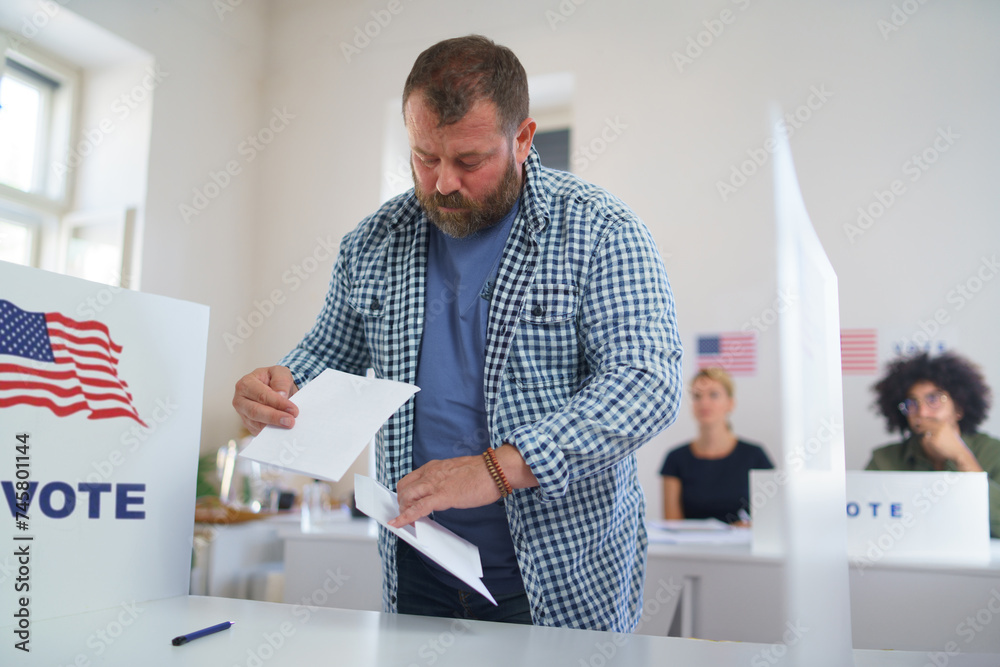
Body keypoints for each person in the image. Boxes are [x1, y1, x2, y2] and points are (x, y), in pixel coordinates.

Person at [232, 35, 683, 632]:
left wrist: (497, 469)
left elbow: (647, 383)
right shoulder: (373, 242)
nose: (442, 183)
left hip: (561, 571)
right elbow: (325, 354)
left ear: (523, 139)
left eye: (469, 161)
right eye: (424, 157)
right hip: (419, 561)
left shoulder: (600, 230)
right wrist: (281, 382)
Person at [866, 351, 1000, 538]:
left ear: (959, 408)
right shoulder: (884, 460)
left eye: (933, 399)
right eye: (912, 403)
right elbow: (864, 526)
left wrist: (961, 457)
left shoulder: (994, 452)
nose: (922, 412)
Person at [660, 367, 773, 524]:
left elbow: (770, 519)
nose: (704, 402)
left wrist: (749, 526)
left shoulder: (755, 456)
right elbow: (672, 524)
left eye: (713, 395)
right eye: (697, 396)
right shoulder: (676, 458)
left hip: (741, 546)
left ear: (730, 403)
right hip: (690, 548)